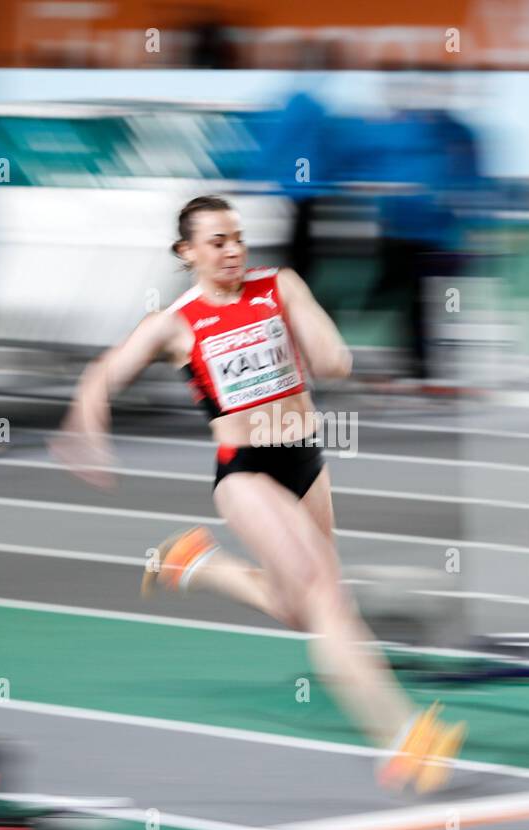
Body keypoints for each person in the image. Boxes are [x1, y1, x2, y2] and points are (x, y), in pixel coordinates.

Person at [51, 195, 466, 793]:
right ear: (186, 252)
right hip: (246, 473)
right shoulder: (176, 322)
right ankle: (403, 737)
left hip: (305, 459)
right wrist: (85, 430)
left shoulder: (279, 284)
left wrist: (315, 335)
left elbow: (334, 362)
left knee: (305, 609)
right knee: (328, 600)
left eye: (238, 238)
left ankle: (198, 562)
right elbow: (102, 375)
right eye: (217, 242)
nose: (233, 251)